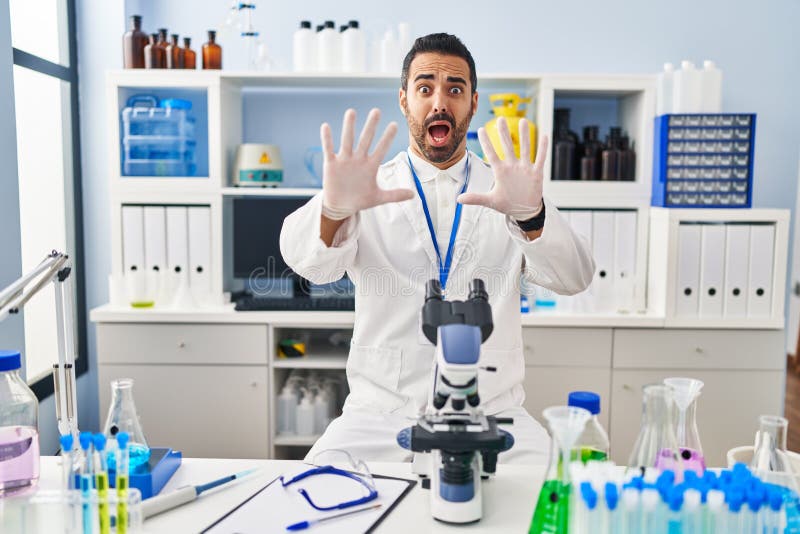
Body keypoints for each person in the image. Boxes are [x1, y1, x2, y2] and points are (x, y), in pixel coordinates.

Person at [280, 33, 594, 464]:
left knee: (550, 506)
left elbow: (575, 277)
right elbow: (310, 266)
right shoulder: (369, 188)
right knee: (315, 496)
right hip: (380, 415)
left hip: (494, 415)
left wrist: (532, 214)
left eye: (455, 89)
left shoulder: (508, 189)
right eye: (425, 88)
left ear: (473, 102)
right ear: (405, 100)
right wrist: (334, 208)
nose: (439, 102)